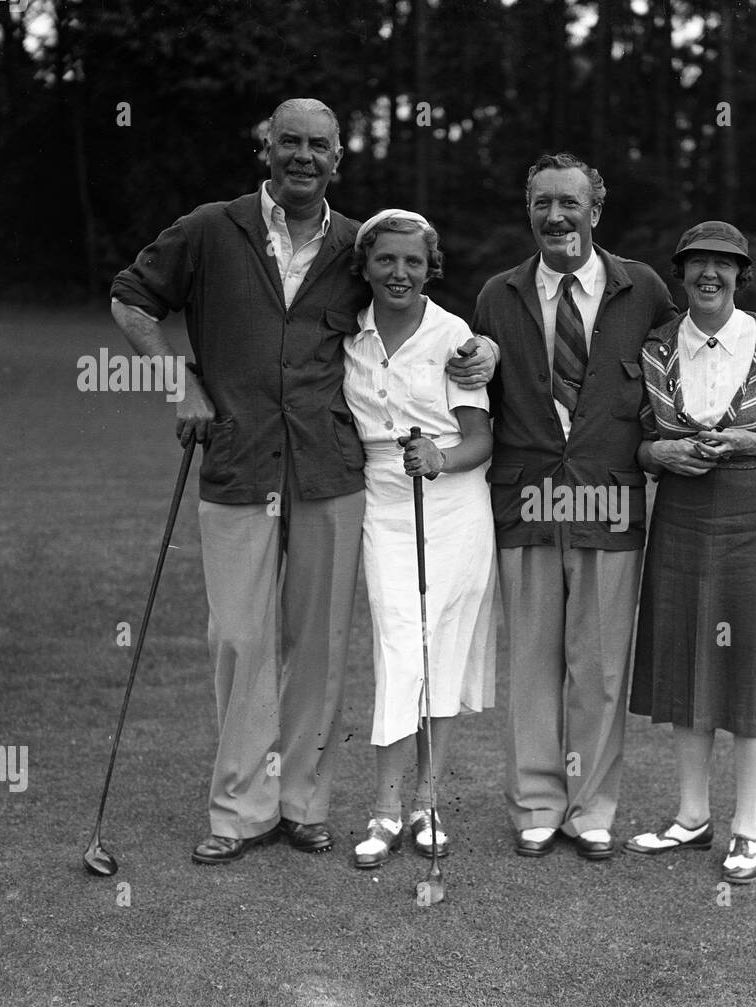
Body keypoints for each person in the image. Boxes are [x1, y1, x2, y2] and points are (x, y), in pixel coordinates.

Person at [109, 99, 495, 864]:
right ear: (267, 148)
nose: (303, 157)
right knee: (240, 638)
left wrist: (481, 347)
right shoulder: (211, 229)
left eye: (319, 145)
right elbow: (130, 299)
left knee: (317, 644)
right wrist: (178, 379)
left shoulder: (360, 245)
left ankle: (304, 804)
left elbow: (422, 312)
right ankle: (239, 810)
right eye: (290, 142)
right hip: (238, 460)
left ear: (338, 158)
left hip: (329, 471)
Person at [471, 152, 678, 860]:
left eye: (569, 203)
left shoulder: (643, 290)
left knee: (599, 667)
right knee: (531, 659)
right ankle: (535, 801)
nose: (555, 216)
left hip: (609, 503)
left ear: (597, 208)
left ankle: (591, 806)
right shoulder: (498, 295)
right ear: (527, 209)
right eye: (541, 203)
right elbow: (478, 402)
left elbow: (682, 374)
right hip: (526, 499)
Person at [624, 221, 756, 884]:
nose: (709, 275)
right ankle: (691, 816)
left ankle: (745, 827)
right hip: (682, 511)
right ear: (681, 275)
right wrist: (665, 452)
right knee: (688, 657)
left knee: (748, 668)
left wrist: (746, 442)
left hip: (751, 511)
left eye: (724, 264)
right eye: (697, 264)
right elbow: (639, 445)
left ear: (741, 274)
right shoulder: (657, 347)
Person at [342, 209, 496, 868]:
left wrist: (439, 458)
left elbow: (482, 438)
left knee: (438, 654)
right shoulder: (349, 335)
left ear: (429, 266)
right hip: (383, 502)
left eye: (412, 261)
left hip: (454, 503)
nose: (399, 272)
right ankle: (383, 810)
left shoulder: (455, 335)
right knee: (398, 643)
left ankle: (427, 803)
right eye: (386, 260)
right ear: (367, 266)